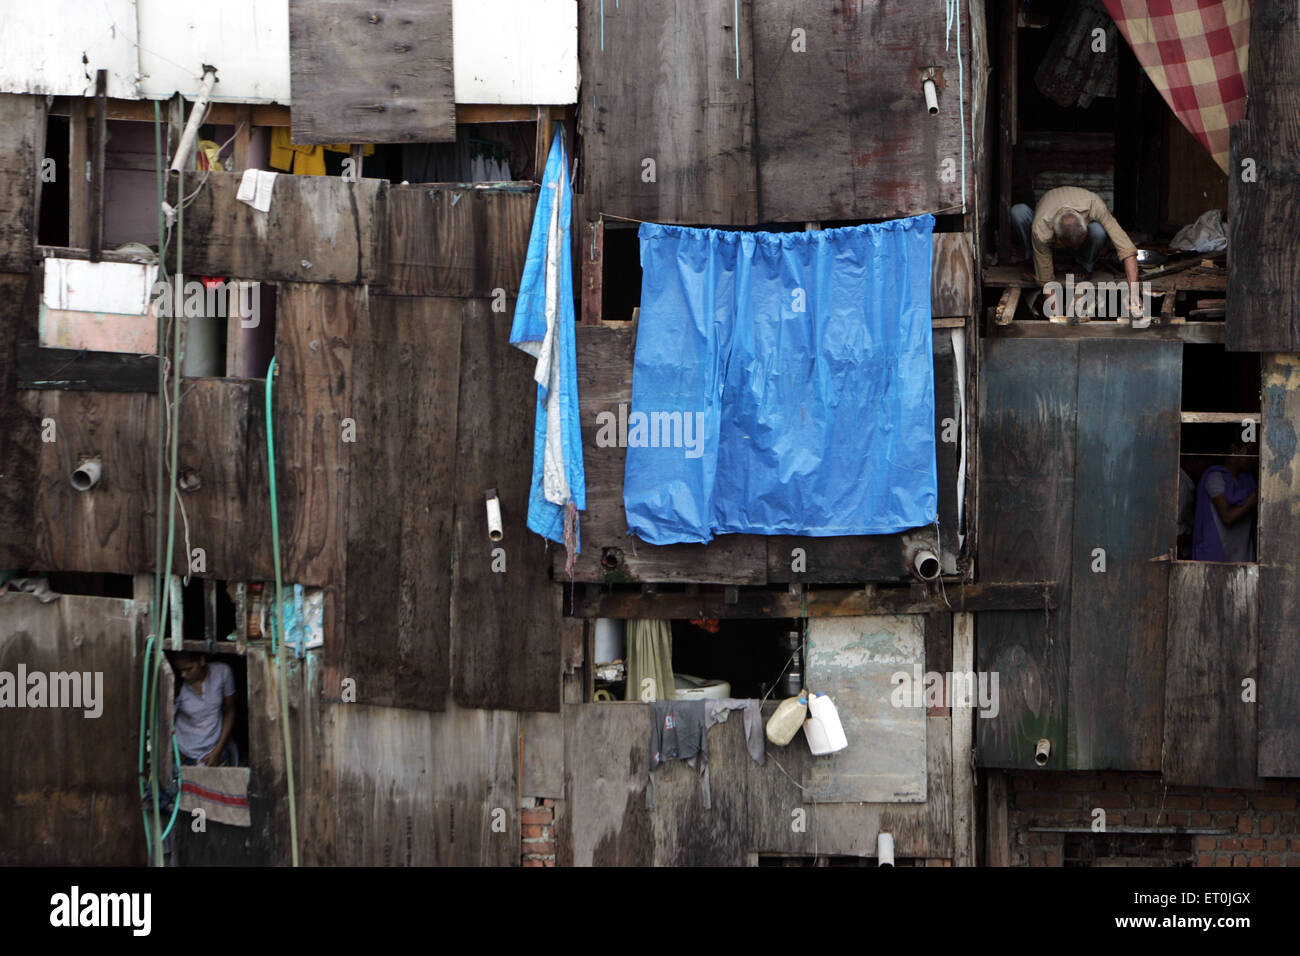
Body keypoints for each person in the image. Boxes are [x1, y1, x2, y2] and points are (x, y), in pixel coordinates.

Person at [1010, 187, 1142, 318]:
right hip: (1046, 225)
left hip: (1082, 215)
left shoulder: (1094, 204)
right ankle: (1033, 260)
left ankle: (1084, 264)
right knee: (1018, 211)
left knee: (1098, 231)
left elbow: (1127, 249)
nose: (1074, 248)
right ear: (1059, 239)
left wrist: (1134, 294)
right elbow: (1047, 281)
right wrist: (1058, 317)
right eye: (1072, 246)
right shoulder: (1041, 230)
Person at [1192, 432, 1258, 563]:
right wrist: (1255, 497)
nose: (1254, 458)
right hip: (1218, 557)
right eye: (1250, 451)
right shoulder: (1215, 477)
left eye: (1256, 453)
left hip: (1243, 558)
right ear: (1234, 449)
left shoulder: (1249, 481)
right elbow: (1228, 517)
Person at [172, 653, 238, 766]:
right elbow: (166, 722)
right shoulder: (177, 685)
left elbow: (230, 710)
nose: (183, 675)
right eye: (180, 670)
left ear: (201, 660)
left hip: (215, 748)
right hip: (185, 753)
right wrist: (175, 750)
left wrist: (218, 751)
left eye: (188, 669)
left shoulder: (222, 672)